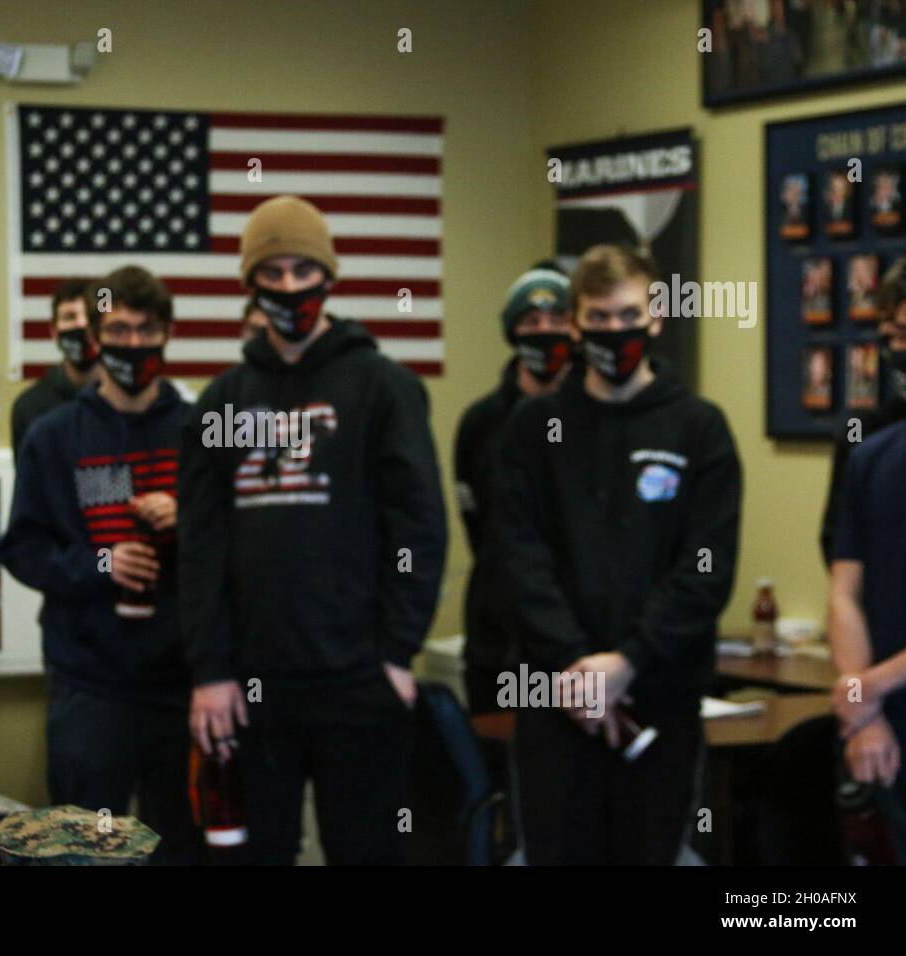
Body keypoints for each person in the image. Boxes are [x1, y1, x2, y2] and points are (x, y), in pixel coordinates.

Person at [179, 195, 447, 865]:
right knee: (257, 854)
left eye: (305, 271)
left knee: (368, 852)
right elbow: (201, 544)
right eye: (273, 274)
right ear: (250, 284)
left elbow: (420, 527)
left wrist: (397, 651)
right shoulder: (223, 400)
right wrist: (210, 671)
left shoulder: (384, 388)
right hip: (251, 686)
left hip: (360, 677)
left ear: (329, 277)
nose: (290, 288)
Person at [501, 243, 741, 865]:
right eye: (599, 319)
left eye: (628, 315)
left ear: (656, 316)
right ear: (575, 324)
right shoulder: (533, 429)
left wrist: (628, 664)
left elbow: (706, 570)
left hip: (659, 699)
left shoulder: (699, 428)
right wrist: (577, 667)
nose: (615, 332)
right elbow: (519, 560)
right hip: (556, 701)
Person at [0, 266, 203, 865]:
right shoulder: (55, 436)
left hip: (182, 683)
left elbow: (238, 548)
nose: (132, 345)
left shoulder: (196, 433)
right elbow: (21, 549)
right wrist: (101, 564)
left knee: (182, 849)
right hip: (89, 684)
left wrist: (187, 521)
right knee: (86, 849)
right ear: (94, 334)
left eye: (146, 330)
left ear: (165, 334)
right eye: (118, 329)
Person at [455, 262, 575, 714]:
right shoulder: (480, 422)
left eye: (558, 321)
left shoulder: (594, 414)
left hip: (576, 639)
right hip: (496, 636)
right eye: (531, 322)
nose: (545, 332)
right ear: (512, 331)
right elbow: (476, 522)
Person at [828, 379, 906, 862]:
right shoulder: (871, 455)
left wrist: (867, 689)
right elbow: (843, 594)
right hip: (888, 731)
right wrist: (865, 714)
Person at [820, 259, 906, 565]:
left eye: (904, 335)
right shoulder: (865, 435)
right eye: (890, 337)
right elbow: (836, 545)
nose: (895, 350)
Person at [10, 278, 97, 458]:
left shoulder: (126, 400)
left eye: (90, 315)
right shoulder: (29, 407)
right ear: (54, 332)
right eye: (70, 317)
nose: (81, 324)